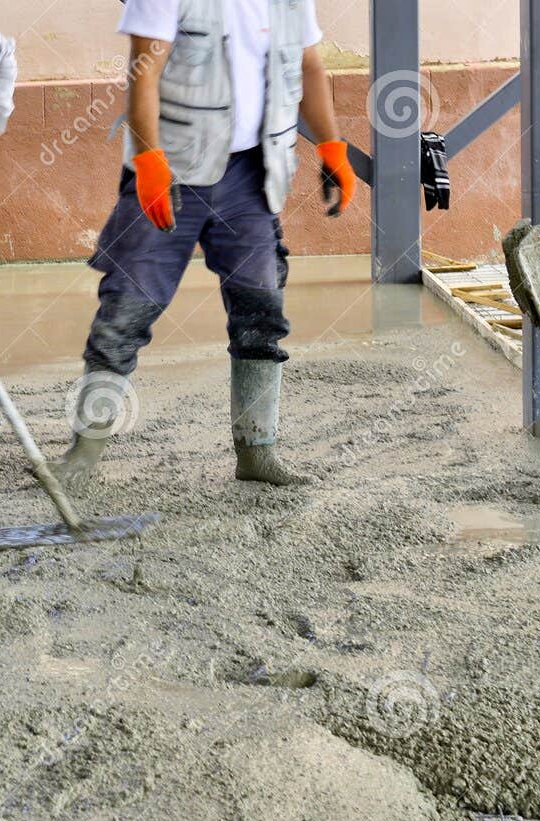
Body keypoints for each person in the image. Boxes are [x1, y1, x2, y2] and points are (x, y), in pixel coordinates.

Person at [54, 0, 357, 487]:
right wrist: (150, 159)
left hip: (250, 177)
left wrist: (331, 145)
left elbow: (310, 67)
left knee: (261, 309)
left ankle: (257, 450)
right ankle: (85, 451)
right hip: (171, 171)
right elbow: (144, 71)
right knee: (127, 308)